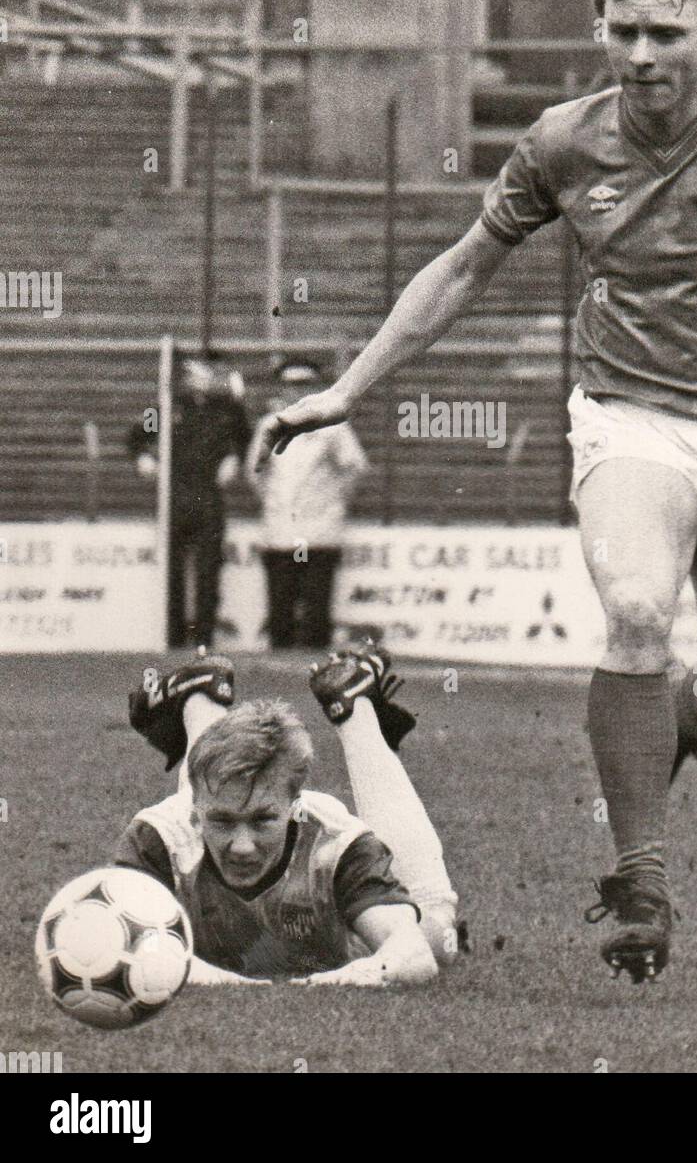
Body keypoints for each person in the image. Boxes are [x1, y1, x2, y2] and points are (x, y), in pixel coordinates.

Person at [252, 0, 697, 983]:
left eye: (665, 32)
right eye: (621, 32)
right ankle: (639, 883)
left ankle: (676, 726)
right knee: (638, 609)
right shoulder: (563, 139)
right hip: (629, 415)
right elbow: (462, 270)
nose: (641, 55)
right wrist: (345, 388)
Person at [120, 643, 456, 986]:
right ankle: (199, 694)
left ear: (296, 806)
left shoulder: (338, 846)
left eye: (263, 821)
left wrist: (361, 974)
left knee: (437, 935)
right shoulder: (159, 836)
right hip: (197, 819)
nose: (242, 847)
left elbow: (414, 953)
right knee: (218, 780)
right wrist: (219, 980)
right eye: (221, 822)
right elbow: (121, 940)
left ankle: (355, 706)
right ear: (196, 811)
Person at [128, 351, 251, 647]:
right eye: (195, 373)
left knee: (208, 572)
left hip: (209, 497)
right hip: (175, 497)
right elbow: (135, 438)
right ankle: (173, 637)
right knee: (173, 572)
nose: (201, 380)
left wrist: (235, 459)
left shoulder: (229, 410)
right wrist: (144, 459)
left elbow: (249, 441)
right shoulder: (167, 408)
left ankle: (204, 639)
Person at [247, 359, 369, 649]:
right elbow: (256, 472)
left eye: (303, 385)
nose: (296, 392)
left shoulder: (333, 427)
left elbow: (354, 468)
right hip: (280, 531)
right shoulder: (269, 425)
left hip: (319, 532)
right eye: (290, 385)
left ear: (314, 387)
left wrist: (333, 502)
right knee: (280, 613)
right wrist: (274, 503)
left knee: (317, 614)